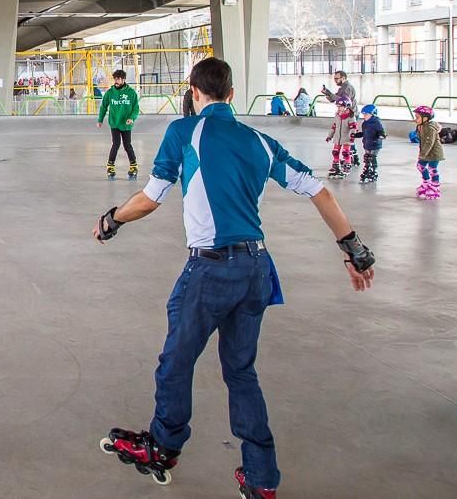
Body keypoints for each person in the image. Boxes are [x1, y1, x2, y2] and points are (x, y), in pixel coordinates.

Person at [93, 57, 374, 498]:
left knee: (176, 361)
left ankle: (164, 445)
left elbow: (151, 198)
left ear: (194, 91)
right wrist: (354, 250)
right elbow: (317, 189)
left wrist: (112, 219)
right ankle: (261, 479)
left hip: (211, 269)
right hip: (256, 269)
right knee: (240, 370)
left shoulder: (185, 132)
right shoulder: (259, 141)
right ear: (231, 94)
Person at [96, 69, 140, 179]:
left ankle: (133, 165)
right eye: (115, 79)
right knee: (116, 144)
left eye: (119, 79)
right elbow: (103, 107)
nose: (117, 81)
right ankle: (110, 166)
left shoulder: (131, 93)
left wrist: (131, 118)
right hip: (114, 123)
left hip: (126, 124)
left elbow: (136, 108)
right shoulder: (110, 93)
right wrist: (100, 120)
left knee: (127, 145)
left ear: (123, 79)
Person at [322, 71, 359, 166]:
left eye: (337, 78)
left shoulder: (347, 88)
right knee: (343, 136)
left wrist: (330, 93)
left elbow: (343, 101)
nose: (335, 80)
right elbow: (335, 100)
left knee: (348, 137)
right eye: (334, 78)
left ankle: (352, 159)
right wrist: (327, 94)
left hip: (349, 115)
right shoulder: (342, 88)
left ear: (343, 78)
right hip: (342, 114)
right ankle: (351, 158)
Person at [413, 105, 444, 200]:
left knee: (432, 169)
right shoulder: (421, 126)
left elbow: (429, 142)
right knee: (420, 166)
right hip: (426, 152)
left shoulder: (430, 128)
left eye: (417, 117)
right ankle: (426, 183)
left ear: (425, 118)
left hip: (434, 153)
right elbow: (420, 138)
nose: (415, 119)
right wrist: (418, 127)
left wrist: (422, 155)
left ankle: (435, 187)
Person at [325, 97, 357, 179]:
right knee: (335, 152)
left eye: (340, 106)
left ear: (346, 106)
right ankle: (336, 165)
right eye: (338, 106)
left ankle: (347, 165)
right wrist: (329, 136)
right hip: (337, 137)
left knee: (346, 153)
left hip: (346, 138)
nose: (338, 108)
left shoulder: (350, 117)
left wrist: (352, 135)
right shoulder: (337, 116)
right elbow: (334, 127)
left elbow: (353, 128)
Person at [353, 104, 386, 184]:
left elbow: (381, 131)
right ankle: (367, 168)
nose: (364, 116)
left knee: (372, 157)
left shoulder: (376, 122)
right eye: (363, 114)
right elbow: (364, 133)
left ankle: (374, 170)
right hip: (367, 144)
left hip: (375, 144)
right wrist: (356, 135)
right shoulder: (365, 123)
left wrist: (381, 135)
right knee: (366, 158)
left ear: (372, 114)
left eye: (366, 114)